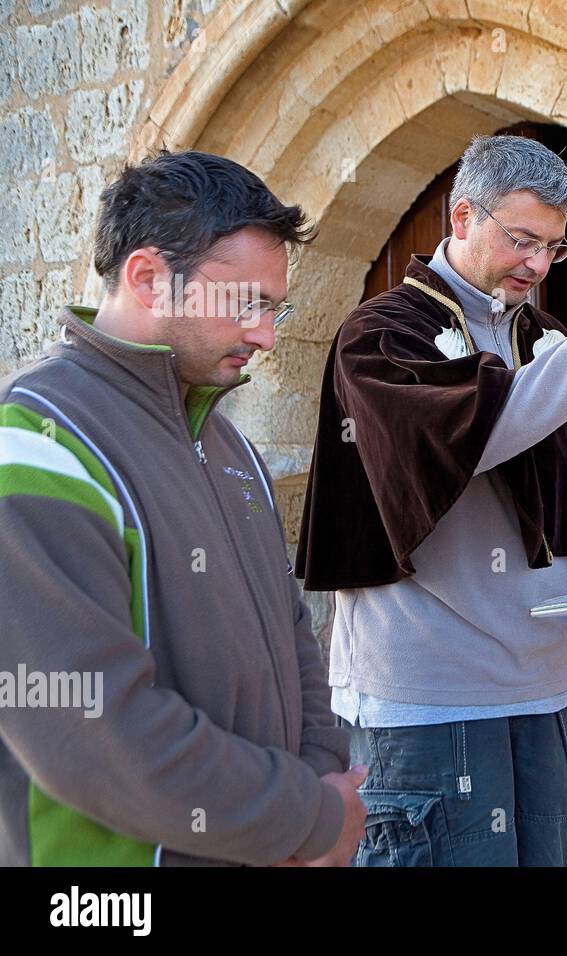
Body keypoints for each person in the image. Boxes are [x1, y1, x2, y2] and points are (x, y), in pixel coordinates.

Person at [296, 134, 567, 867]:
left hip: (547, 696)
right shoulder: (376, 335)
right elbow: (456, 438)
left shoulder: (553, 340)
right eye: (522, 239)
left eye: (553, 248)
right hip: (427, 705)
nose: (536, 264)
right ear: (462, 217)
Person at [0, 150, 364, 866]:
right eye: (246, 303)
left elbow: (295, 641)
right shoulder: (34, 446)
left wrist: (319, 779)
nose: (267, 334)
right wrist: (306, 815)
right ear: (146, 279)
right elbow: (95, 732)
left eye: (275, 306)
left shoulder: (231, 447)